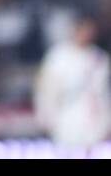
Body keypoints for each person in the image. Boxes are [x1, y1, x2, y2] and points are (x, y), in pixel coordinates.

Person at [34, 13, 111, 150]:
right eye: (83, 30)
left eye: (90, 30)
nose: (87, 34)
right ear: (75, 30)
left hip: (94, 122)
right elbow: (46, 89)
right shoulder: (58, 56)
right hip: (65, 119)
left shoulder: (99, 58)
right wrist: (46, 116)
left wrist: (107, 121)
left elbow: (104, 94)